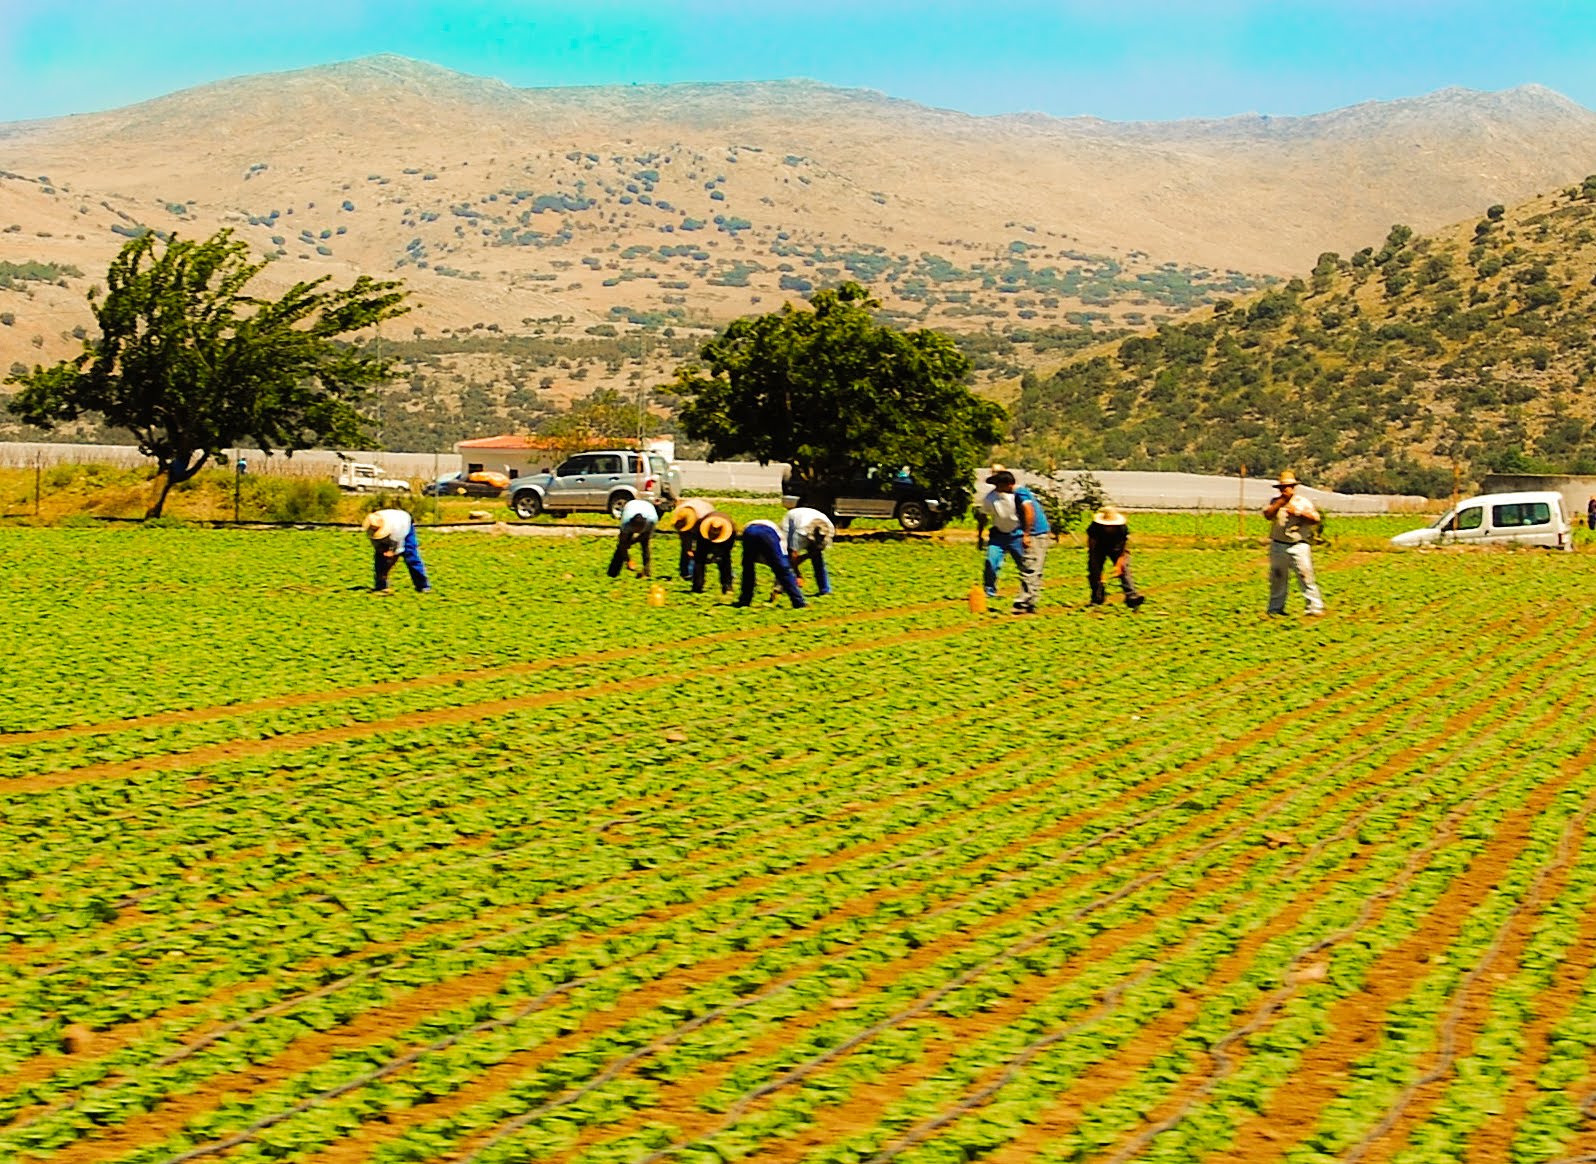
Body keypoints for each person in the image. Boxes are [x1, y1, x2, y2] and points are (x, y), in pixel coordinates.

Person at [976, 469, 1050, 615]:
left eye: (999, 484)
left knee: (1030, 568)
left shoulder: (1020, 493)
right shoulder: (1002, 496)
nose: (997, 488)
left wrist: (1027, 533)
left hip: (1035, 533)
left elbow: (1029, 510)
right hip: (1028, 533)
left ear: (1008, 484)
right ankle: (1029, 603)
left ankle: (1023, 602)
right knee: (1032, 568)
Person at [1263, 470, 1325, 616]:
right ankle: (1275, 609)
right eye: (1283, 487)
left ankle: (1314, 607)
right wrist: (1281, 503)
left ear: (1293, 487)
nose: (1285, 490)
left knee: (1305, 576)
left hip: (1299, 545)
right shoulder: (1275, 502)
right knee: (1278, 577)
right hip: (1278, 545)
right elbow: (1267, 514)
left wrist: (1298, 513)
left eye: (1288, 487)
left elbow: (1315, 519)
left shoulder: (1302, 502)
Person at [735, 517, 806, 608]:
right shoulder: (781, 537)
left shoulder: (755, 527)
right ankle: (798, 602)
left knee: (748, 568)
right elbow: (782, 563)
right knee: (782, 569)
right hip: (767, 532)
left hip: (749, 531)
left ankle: (745, 600)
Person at [1086, 506, 1144, 609]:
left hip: (1117, 549)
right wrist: (1096, 565)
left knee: (1124, 569)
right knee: (1094, 571)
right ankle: (1097, 597)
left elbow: (1123, 546)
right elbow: (1092, 544)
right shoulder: (1095, 527)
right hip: (1098, 548)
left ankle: (1131, 596)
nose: (1109, 527)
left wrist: (1119, 563)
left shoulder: (1122, 529)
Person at [363, 508, 430, 593]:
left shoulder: (398, 529)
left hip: (405, 525)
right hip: (395, 526)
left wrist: (388, 563)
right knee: (379, 559)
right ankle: (380, 586)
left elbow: (397, 550)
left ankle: (423, 586)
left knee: (411, 556)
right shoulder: (371, 526)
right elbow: (377, 546)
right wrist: (382, 553)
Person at [783, 506, 836, 597]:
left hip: (808, 517)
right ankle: (785, 585)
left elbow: (818, 549)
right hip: (792, 519)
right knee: (786, 558)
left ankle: (825, 589)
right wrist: (798, 574)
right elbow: (793, 556)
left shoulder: (829, 529)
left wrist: (811, 553)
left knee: (818, 558)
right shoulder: (798, 533)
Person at [667, 498, 718, 581]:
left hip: (706, 523)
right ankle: (685, 573)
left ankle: (698, 573)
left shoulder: (705, 517)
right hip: (688, 520)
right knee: (686, 548)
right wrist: (688, 549)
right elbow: (684, 540)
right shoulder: (680, 514)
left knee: (703, 549)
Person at [609, 498, 658, 579]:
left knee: (645, 544)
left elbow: (645, 536)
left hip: (648, 507)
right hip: (631, 505)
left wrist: (632, 542)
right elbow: (622, 542)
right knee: (622, 545)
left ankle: (647, 572)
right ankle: (613, 572)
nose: (637, 531)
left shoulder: (651, 521)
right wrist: (628, 560)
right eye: (635, 529)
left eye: (639, 529)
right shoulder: (626, 523)